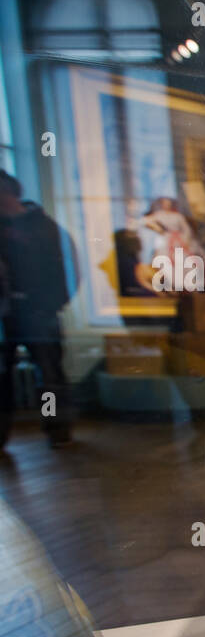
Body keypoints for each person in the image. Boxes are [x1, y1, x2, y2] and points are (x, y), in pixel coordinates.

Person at [0, 170, 78, 449]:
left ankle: (57, 430)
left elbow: (67, 270)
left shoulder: (44, 229)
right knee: (3, 376)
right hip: (6, 315)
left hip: (38, 314)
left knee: (49, 374)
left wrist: (48, 306)